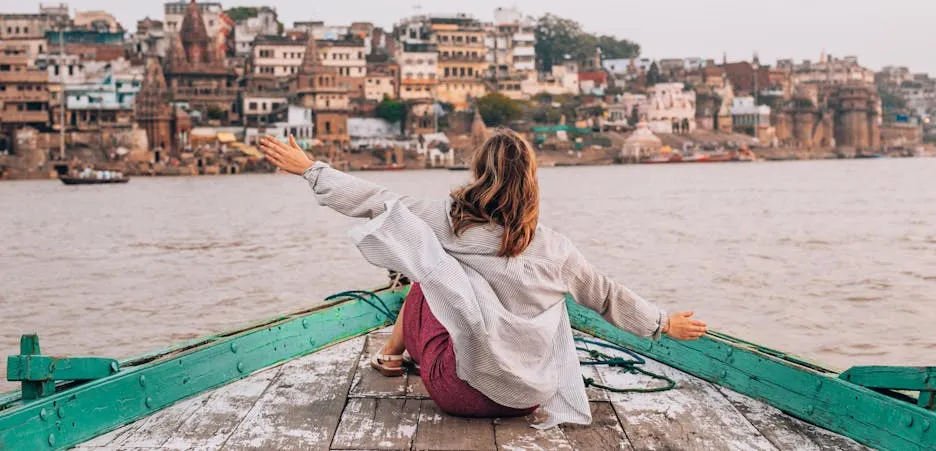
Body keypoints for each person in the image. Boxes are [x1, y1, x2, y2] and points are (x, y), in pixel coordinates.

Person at [260, 129, 706, 427]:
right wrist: (663, 323)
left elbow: (376, 201)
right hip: (527, 396)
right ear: (531, 180)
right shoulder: (556, 249)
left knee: (426, 273)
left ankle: (391, 356)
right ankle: (409, 350)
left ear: (479, 173)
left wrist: (309, 169)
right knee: (465, 280)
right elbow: (605, 294)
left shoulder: (444, 221)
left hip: (459, 393)